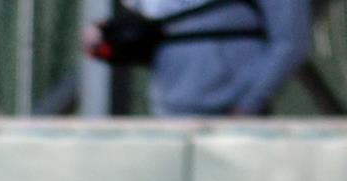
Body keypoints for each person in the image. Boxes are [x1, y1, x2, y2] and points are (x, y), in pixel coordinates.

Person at [89, 0, 312, 116]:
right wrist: (103, 35)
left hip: (233, 117)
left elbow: (291, 43)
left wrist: (248, 105)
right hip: (168, 113)